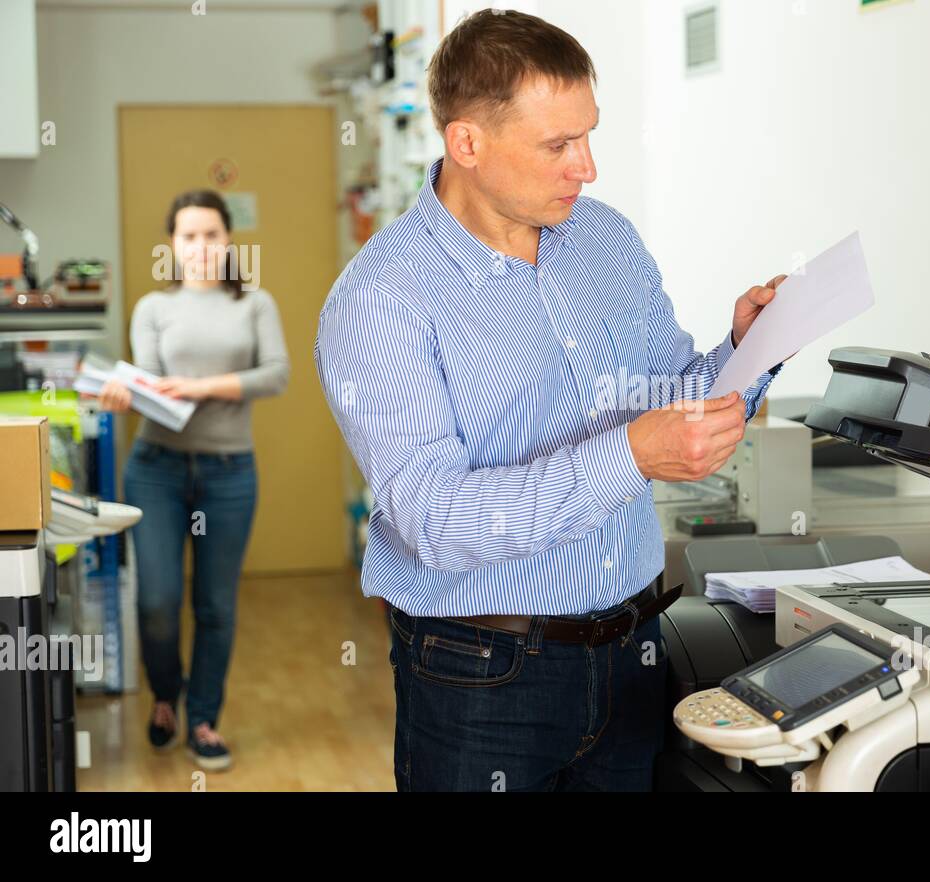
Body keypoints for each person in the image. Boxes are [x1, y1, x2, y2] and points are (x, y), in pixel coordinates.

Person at [314, 9, 786, 791]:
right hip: (482, 677)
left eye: (589, 135)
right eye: (559, 145)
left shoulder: (607, 240)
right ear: (467, 143)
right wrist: (631, 453)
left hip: (635, 652)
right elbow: (435, 519)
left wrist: (750, 351)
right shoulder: (381, 301)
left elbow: (667, 395)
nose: (588, 167)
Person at [99, 189, 289, 771]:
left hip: (229, 474)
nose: (201, 246)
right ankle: (165, 696)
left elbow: (275, 375)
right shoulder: (153, 308)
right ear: (172, 245)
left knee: (214, 605)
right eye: (189, 236)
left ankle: (203, 719)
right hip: (155, 470)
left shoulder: (255, 303)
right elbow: (151, 385)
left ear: (228, 240)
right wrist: (127, 395)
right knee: (157, 600)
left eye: (211, 234)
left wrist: (201, 387)